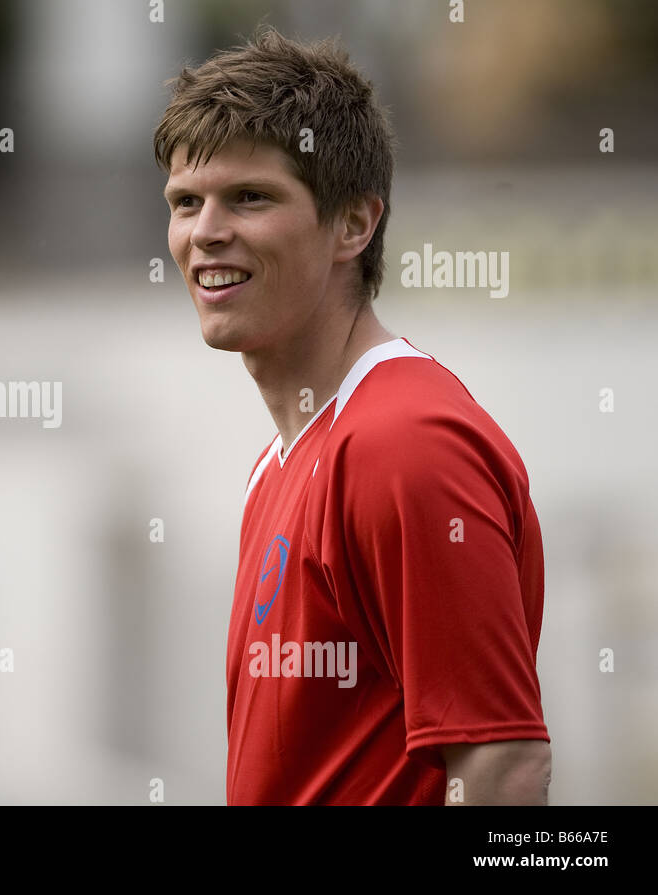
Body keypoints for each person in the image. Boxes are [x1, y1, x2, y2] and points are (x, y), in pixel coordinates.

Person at [153, 26, 551, 805]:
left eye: (251, 197)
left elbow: (503, 765)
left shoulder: (403, 443)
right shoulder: (282, 463)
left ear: (354, 224)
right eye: (186, 202)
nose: (205, 232)